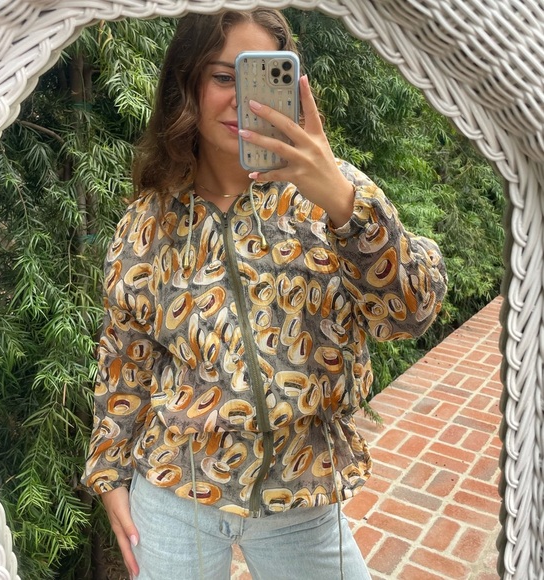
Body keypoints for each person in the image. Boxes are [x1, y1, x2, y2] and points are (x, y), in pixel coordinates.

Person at [82, 8, 448, 580]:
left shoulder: (329, 196)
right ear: (187, 85)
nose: (242, 100)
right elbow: (125, 359)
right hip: (178, 490)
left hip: (300, 496)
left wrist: (345, 206)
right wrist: (109, 475)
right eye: (222, 77)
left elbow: (410, 314)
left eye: (259, 78)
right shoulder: (148, 223)